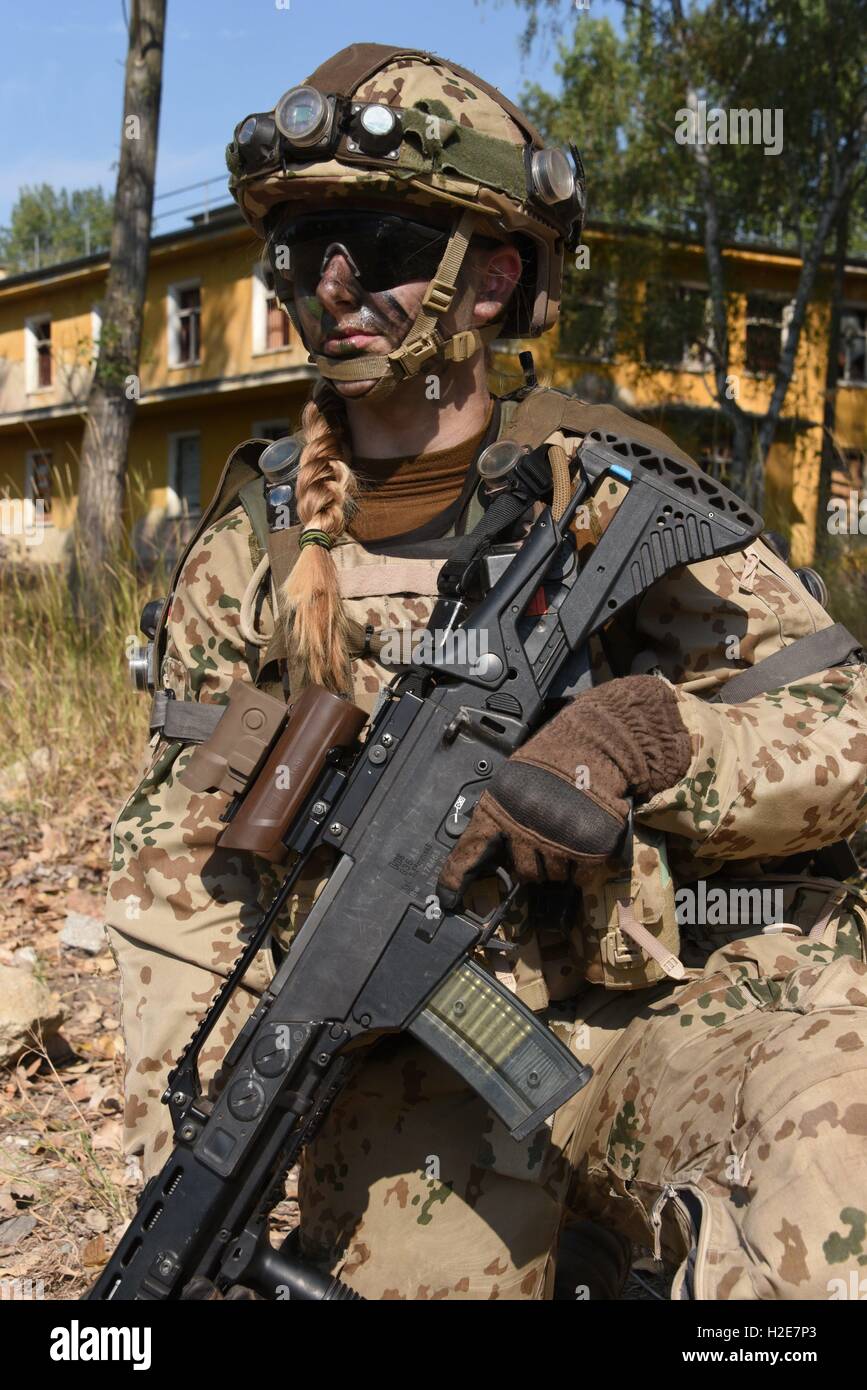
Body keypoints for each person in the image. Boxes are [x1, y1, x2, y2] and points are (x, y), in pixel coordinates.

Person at [105, 44, 867, 1301]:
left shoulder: (607, 496)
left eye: (386, 241)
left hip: (671, 1012)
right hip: (403, 1064)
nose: (337, 283)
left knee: (834, 1178)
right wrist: (178, 1172)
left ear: (492, 278)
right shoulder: (253, 548)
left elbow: (844, 723)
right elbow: (181, 881)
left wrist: (647, 740)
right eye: (306, 250)